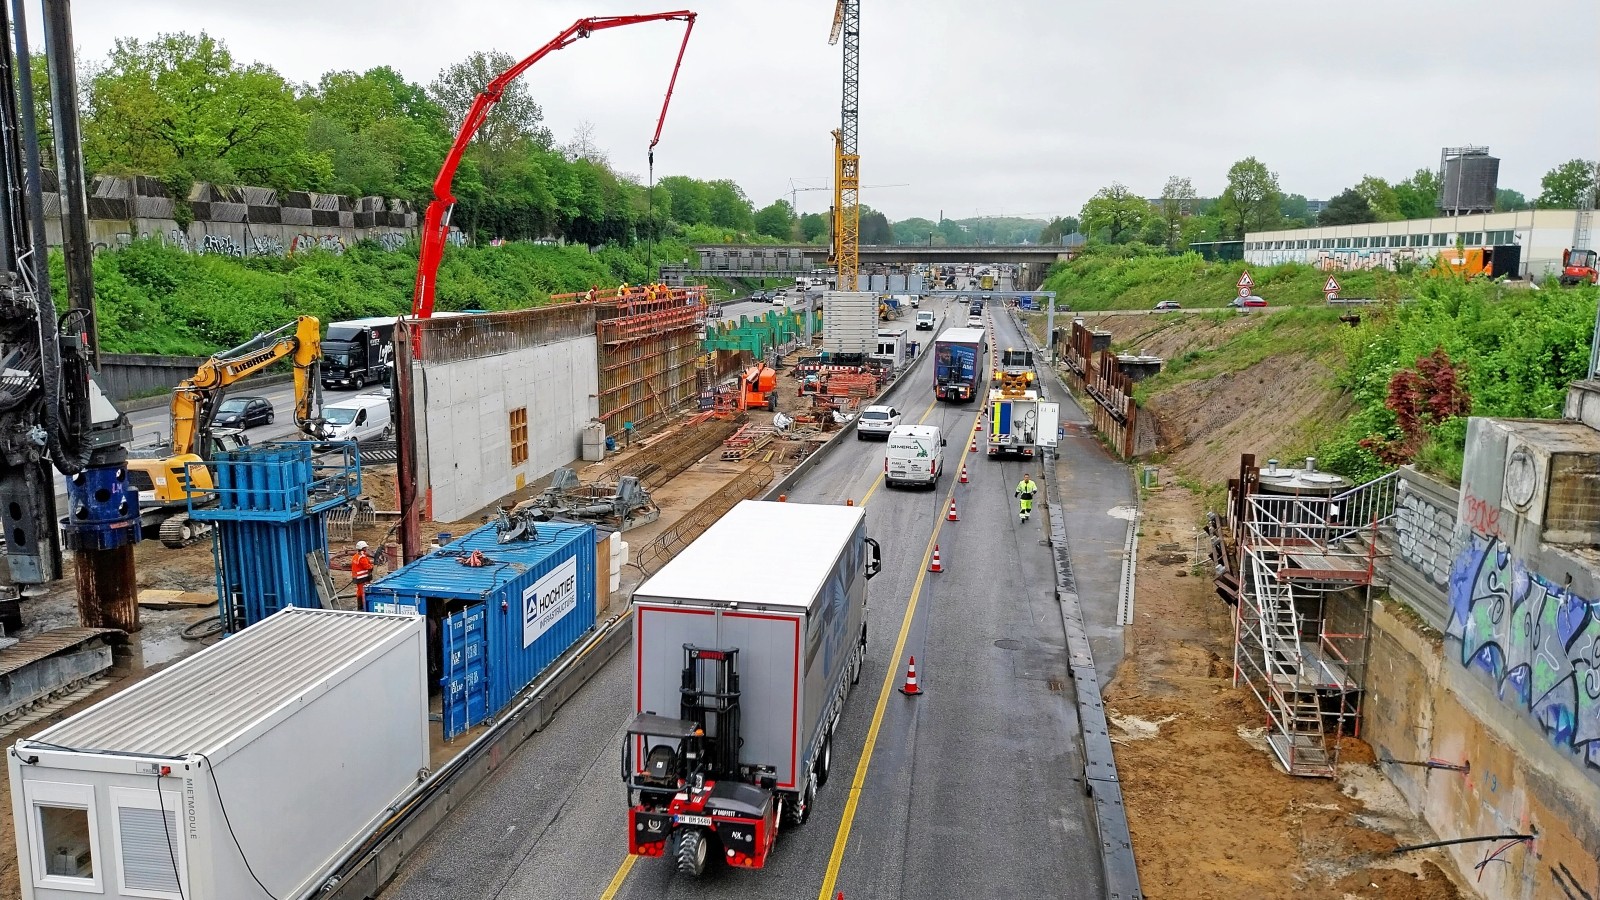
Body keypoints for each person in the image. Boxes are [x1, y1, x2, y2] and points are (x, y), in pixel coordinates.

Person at [351, 540, 375, 610]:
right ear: (363, 548)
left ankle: (360, 606)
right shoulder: (362, 557)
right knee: (364, 592)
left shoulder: (355, 556)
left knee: (359, 591)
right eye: (365, 548)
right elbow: (367, 566)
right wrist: (372, 566)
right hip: (362, 578)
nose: (366, 549)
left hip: (356, 577)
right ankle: (365, 608)